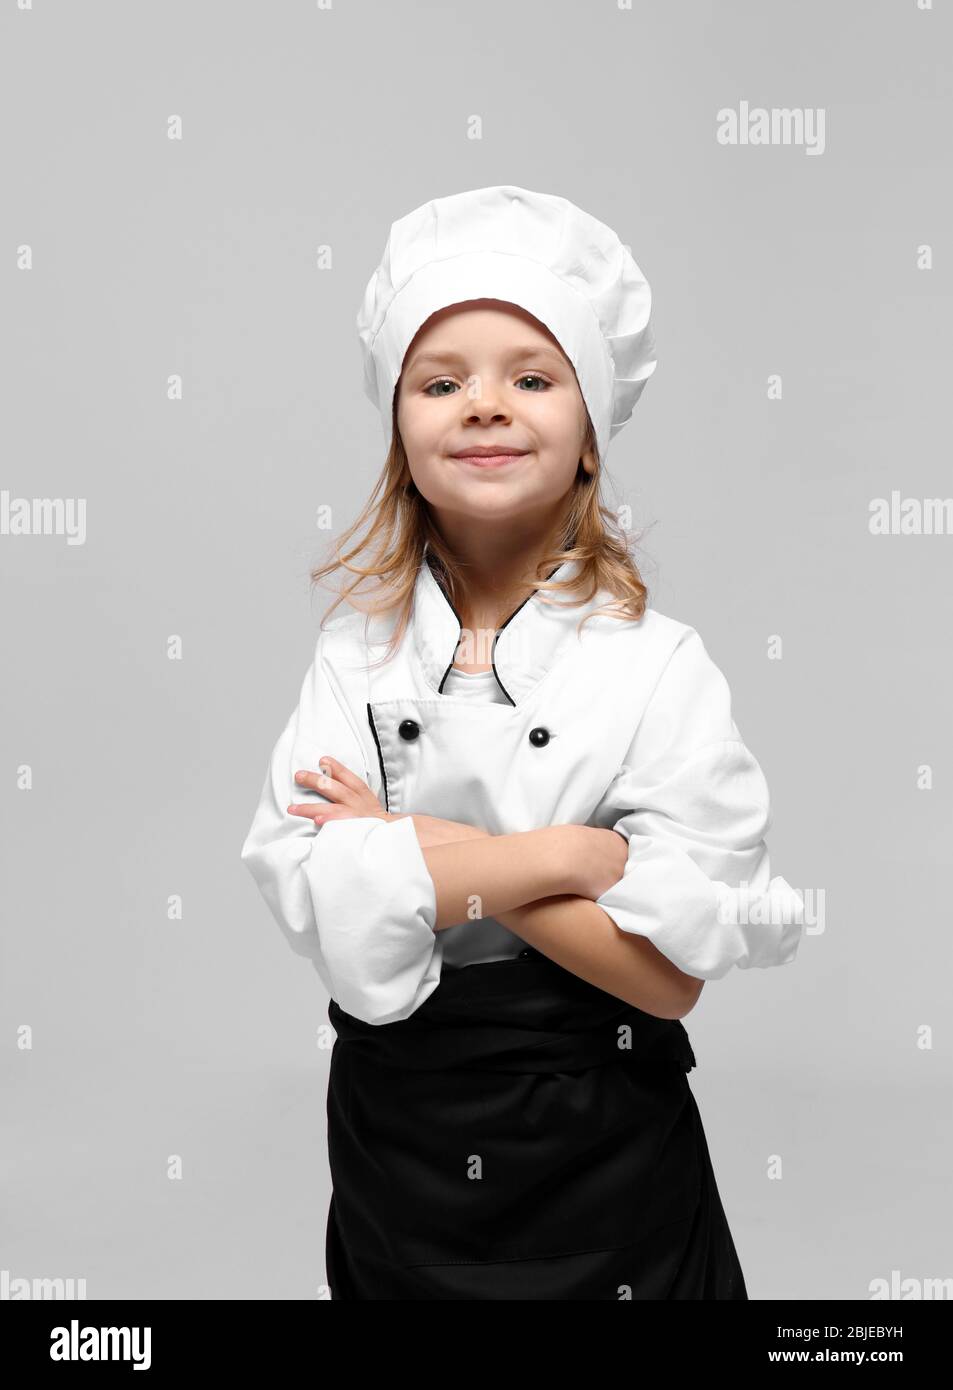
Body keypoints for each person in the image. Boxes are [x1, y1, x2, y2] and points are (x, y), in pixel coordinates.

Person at [241, 184, 805, 1300]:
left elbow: (663, 977)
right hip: (402, 1139)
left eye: (531, 378)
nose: (484, 404)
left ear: (591, 435)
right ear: (400, 434)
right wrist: (556, 860)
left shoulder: (656, 668)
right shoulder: (354, 655)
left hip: (602, 1140)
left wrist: (415, 851)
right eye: (441, 379)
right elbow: (315, 902)